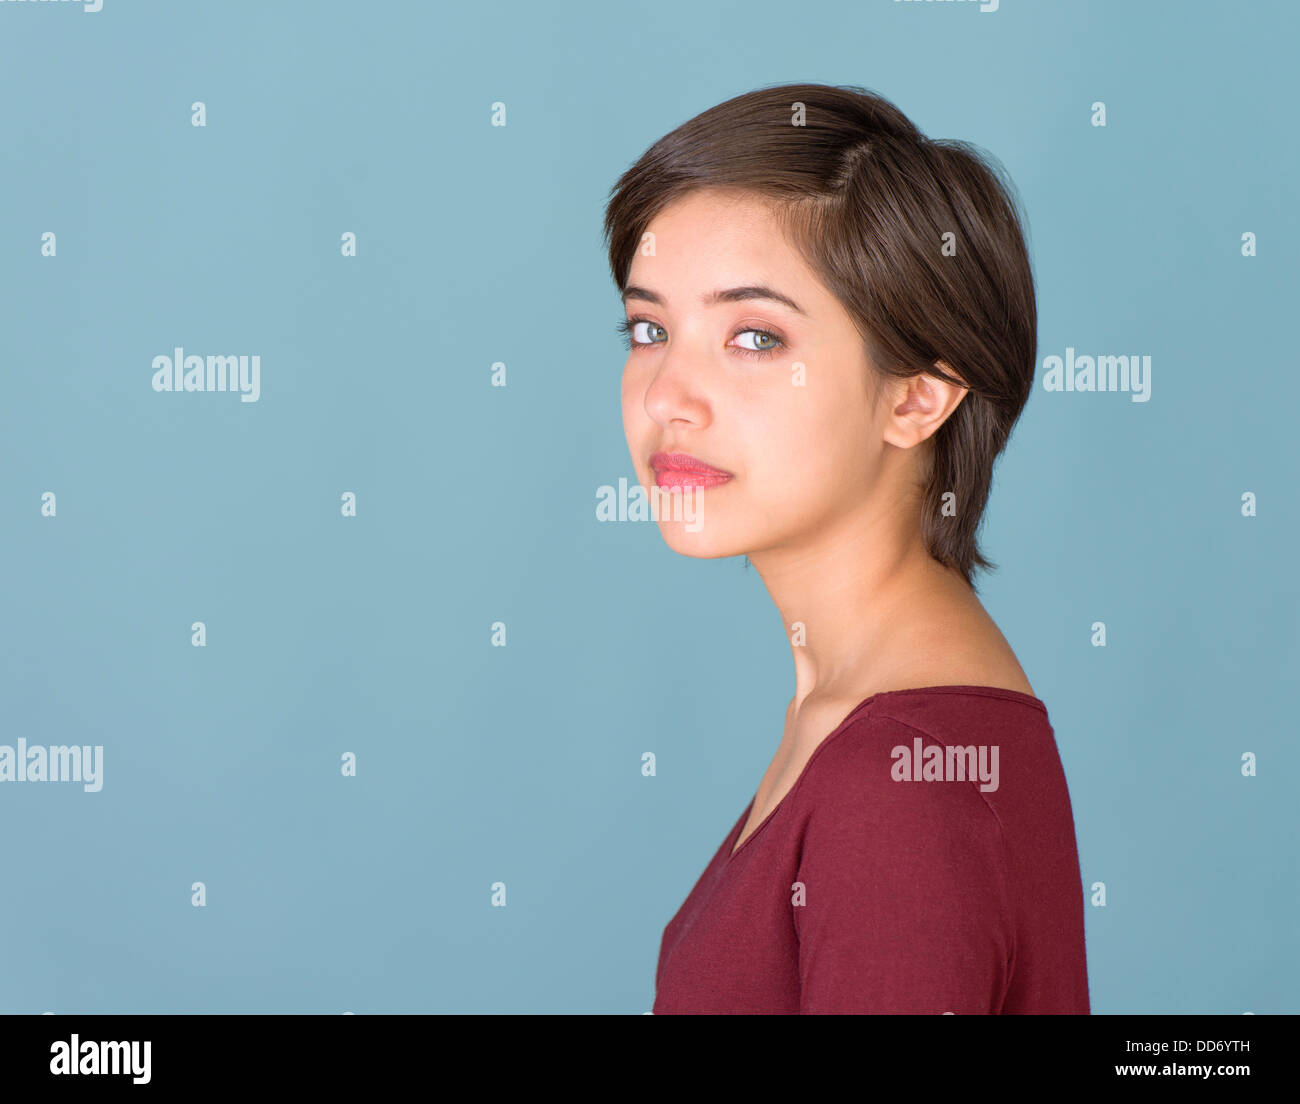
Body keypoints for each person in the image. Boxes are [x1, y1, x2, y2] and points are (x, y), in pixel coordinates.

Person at [603, 82, 1090, 1014]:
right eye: (649, 329)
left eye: (753, 336)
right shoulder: (863, 720)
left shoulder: (900, 782)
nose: (668, 396)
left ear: (916, 396)